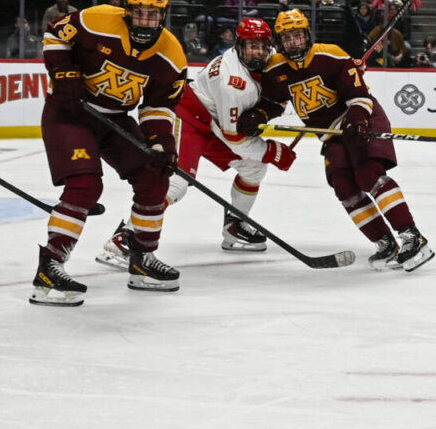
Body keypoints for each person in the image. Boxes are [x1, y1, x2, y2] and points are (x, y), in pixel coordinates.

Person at [31, 0, 188, 306]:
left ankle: (142, 259)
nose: (146, 21)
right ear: (128, 10)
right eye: (140, 13)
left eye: (154, 14)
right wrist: (63, 73)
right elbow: (55, 32)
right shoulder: (98, 18)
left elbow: (158, 105)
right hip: (69, 112)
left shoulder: (171, 53)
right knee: (86, 185)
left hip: (115, 119)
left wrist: (161, 142)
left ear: (164, 15)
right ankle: (50, 266)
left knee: (153, 176)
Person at [98, 15, 297, 264]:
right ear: (239, 45)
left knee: (253, 168)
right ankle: (126, 237)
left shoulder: (267, 58)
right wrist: (273, 151)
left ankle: (235, 225)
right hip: (188, 118)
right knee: (176, 183)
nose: (257, 51)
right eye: (251, 46)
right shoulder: (232, 82)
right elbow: (235, 138)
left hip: (215, 123)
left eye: (261, 45)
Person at [260, 8, 433, 271]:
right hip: (333, 134)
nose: (293, 42)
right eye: (287, 38)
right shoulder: (275, 68)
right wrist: (258, 114)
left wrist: (357, 120)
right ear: (279, 41)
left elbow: (360, 97)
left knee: (368, 174)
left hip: (362, 120)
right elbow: (274, 101)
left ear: (307, 34)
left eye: (297, 36)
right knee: (343, 185)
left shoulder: (331, 55)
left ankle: (413, 237)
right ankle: (385, 242)